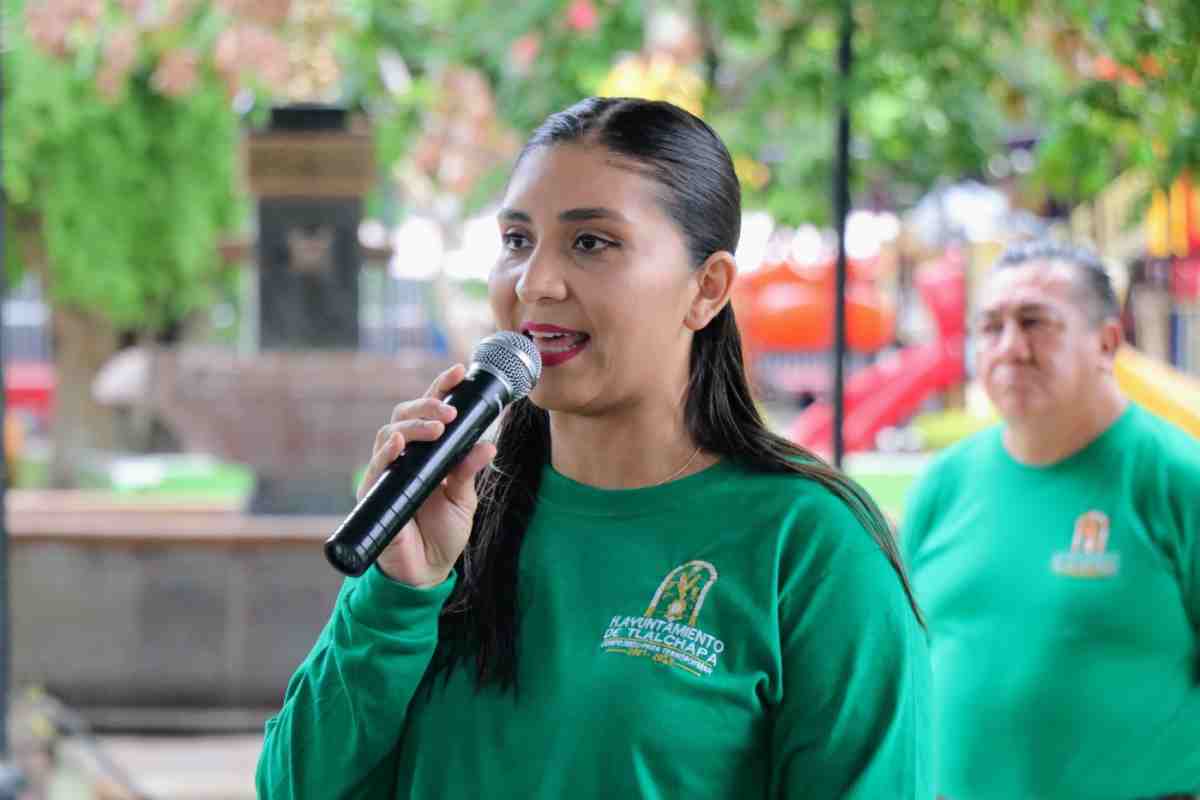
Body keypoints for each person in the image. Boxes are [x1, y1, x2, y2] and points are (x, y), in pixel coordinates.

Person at [257, 97, 931, 799]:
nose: (533, 283)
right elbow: (293, 788)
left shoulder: (809, 547)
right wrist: (396, 596)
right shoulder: (449, 521)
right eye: (518, 240)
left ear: (706, 290)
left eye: (591, 243)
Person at [901, 240, 1200, 800]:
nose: (1010, 347)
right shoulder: (943, 485)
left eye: (1036, 323)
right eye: (990, 328)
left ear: (1107, 343)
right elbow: (908, 668)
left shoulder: (1177, 480)